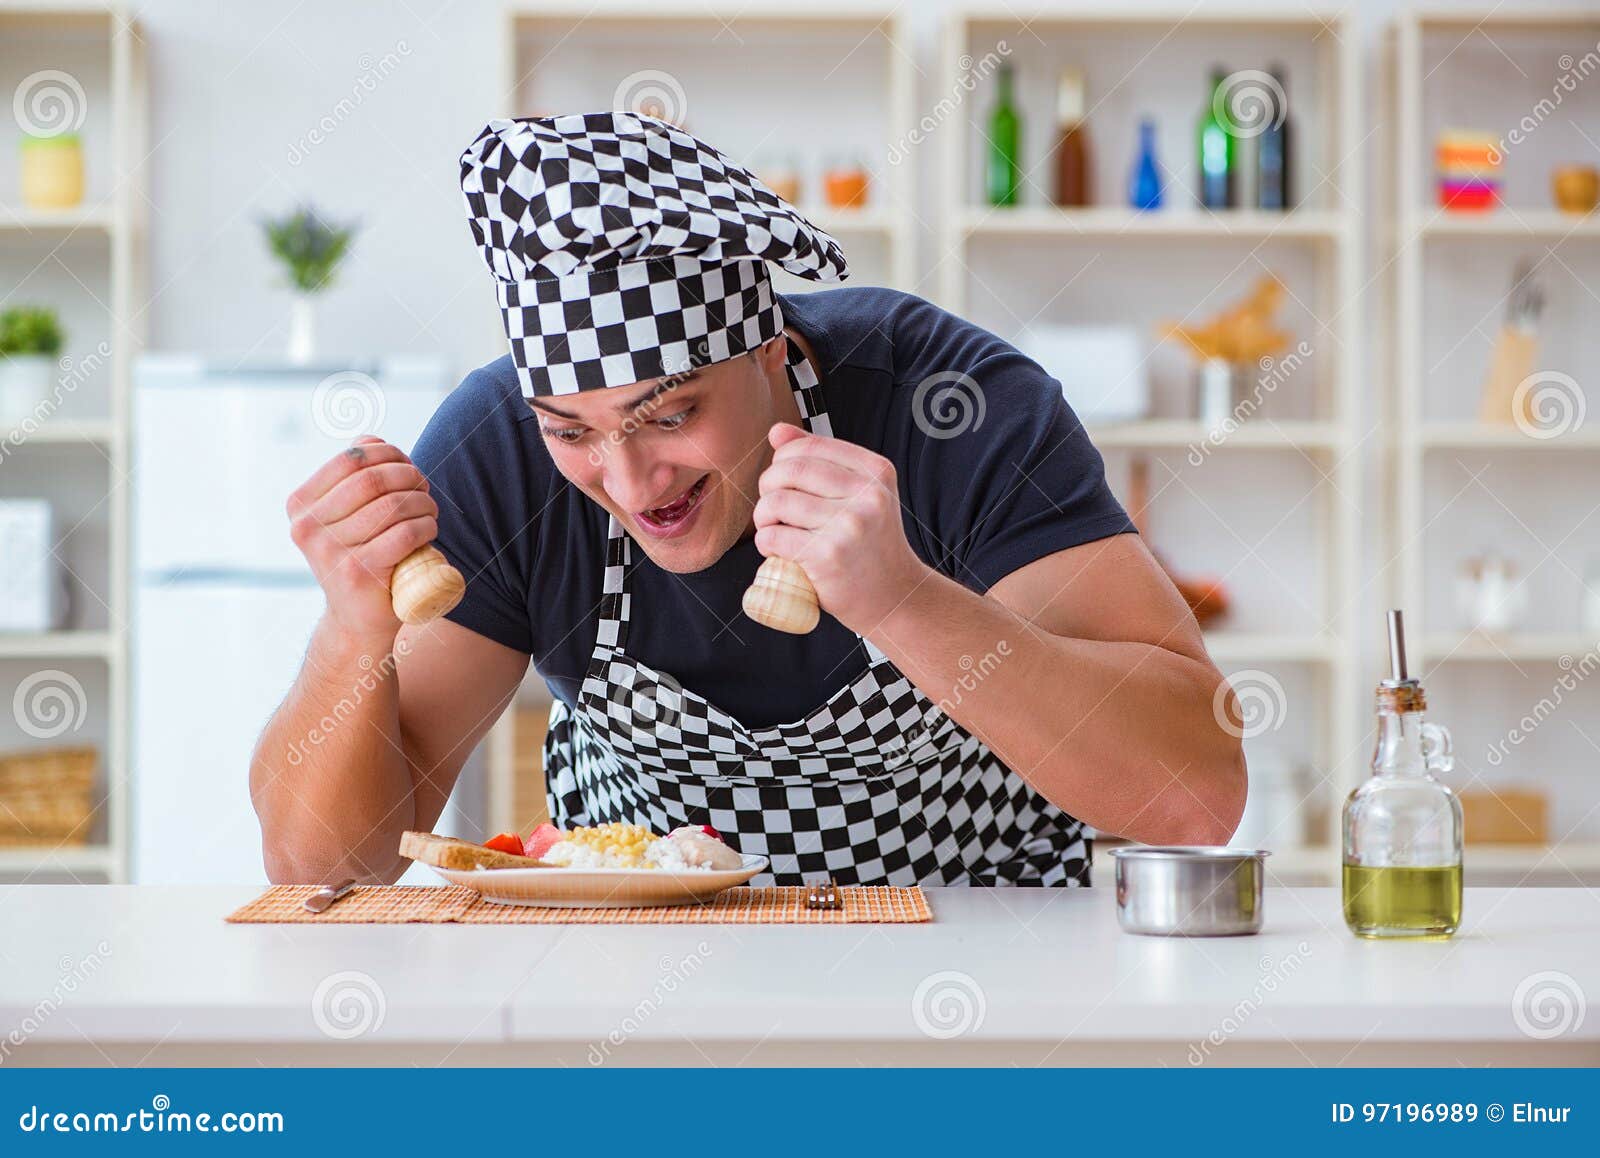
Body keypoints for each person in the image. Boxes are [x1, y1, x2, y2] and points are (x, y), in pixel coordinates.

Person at [251, 112, 1245, 887]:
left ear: (771, 344)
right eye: (572, 432)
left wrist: (904, 600)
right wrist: (350, 633)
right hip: (631, 994)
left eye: (669, 414)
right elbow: (323, 873)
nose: (630, 484)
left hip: (977, 970)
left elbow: (1194, 800)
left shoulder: (956, 409)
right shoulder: (498, 449)